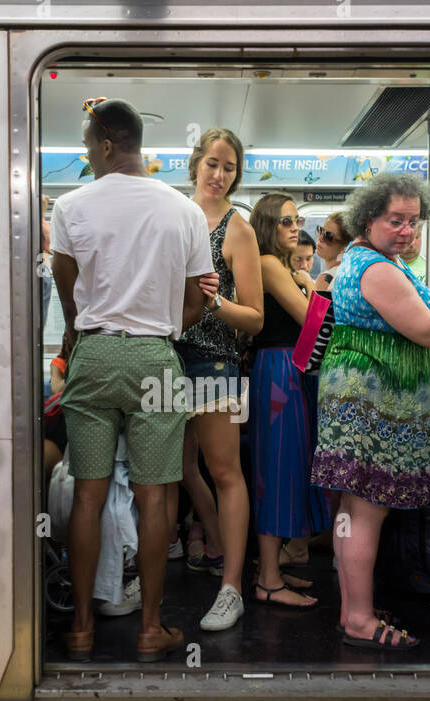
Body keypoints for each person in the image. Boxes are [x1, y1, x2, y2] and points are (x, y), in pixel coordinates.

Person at [50, 97, 215, 663]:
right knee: (155, 497)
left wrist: (80, 334)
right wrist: (162, 328)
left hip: (94, 356)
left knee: (89, 495)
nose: (83, 156)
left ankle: (79, 627)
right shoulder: (184, 211)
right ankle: (151, 628)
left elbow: (69, 293)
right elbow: (198, 300)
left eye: (85, 147)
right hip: (154, 360)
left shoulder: (69, 207)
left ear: (106, 144)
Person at [312, 173, 430, 651]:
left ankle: (352, 609)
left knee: (354, 512)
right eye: (396, 221)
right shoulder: (378, 270)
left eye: (414, 221)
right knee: (366, 512)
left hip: (366, 401)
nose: (407, 230)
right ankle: (360, 619)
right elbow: (429, 331)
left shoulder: (369, 259)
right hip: (375, 405)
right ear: (368, 220)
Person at [167, 127, 264, 632]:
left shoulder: (237, 229)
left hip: (213, 363)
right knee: (174, 470)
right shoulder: (171, 215)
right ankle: (218, 547)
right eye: (212, 163)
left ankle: (232, 587)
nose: (219, 174)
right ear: (195, 165)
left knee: (225, 471)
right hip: (166, 358)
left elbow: (255, 317)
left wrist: (214, 302)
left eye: (229, 167)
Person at [248, 192, 333, 609]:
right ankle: (267, 578)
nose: (295, 226)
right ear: (267, 226)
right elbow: (310, 322)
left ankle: (273, 571)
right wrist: (311, 287)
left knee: (286, 467)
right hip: (280, 368)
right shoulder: (268, 264)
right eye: (286, 221)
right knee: (276, 471)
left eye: (296, 219)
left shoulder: (277, 265)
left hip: (285, 368)